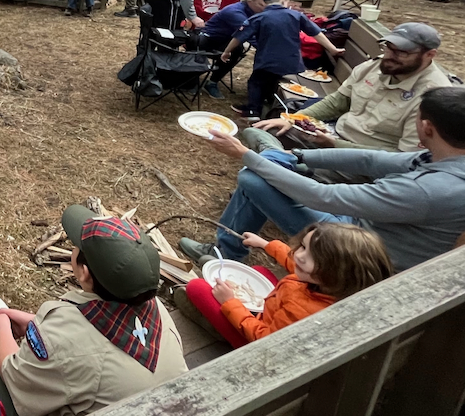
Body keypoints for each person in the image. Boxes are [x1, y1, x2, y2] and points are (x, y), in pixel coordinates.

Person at [0, 205, 187, 416]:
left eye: (77, 246)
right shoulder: (159, 310)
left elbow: (14, 375)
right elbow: (90, 345)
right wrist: (38, 326)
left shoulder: (65, 334)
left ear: (84, 272)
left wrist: (2, 329)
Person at [182, 86, 465, 273]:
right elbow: (371, 160)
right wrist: (298, 157)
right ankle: (226, 250)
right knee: (268, 168)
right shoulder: (442, 158)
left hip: (360, 254)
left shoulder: (428, 190)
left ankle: (226, 253)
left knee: (253, 178)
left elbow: (323, 197)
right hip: (365, 231)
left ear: (426, 127)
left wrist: (244, 155)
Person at [243, 23, 451, 154]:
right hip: (333, 135)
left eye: (402, 53)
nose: (389, 56)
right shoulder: (374, 66)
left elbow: (403, 157)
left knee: (270, 165)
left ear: (429, 55)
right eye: (388, 47)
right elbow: (337, 101)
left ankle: (286, 171)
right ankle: (281, 167)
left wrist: (335, 146)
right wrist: (293, 120)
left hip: (363, 158)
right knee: (259, 131)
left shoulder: (432, 97)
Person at [184, 223, 392, 349]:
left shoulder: (300, 309)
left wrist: (230, 303)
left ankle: (217, 330)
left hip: (255, 343)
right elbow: (293, 262)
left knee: (197, 288)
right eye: (303, 246)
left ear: (335, 273)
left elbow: (263, 339)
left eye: (311, 256)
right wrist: (266, 245)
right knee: (259, 270)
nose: (299, 255)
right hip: (275, 311)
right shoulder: (331, 284)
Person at [223, 0, 343, 119]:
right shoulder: (297, 16)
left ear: (265, 2)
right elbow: (316, 33)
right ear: (285, 1)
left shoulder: (259, 17)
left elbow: (239, 37)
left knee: (256, 82)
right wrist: (333, 49)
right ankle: (270, 105)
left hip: (267, 59)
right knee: (273, 80)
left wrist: (227, 52)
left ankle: (253, 111)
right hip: (292, 61)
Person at [198, 0, 268, 99]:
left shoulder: (254, 11)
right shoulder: (234, 12)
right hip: (209, 40)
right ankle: (212, 83)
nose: (265, 8)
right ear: (250, 1)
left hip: (226, 40)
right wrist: (268, 50)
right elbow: (248, 34)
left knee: (236, 48)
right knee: (235, 49)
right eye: (261, 4)